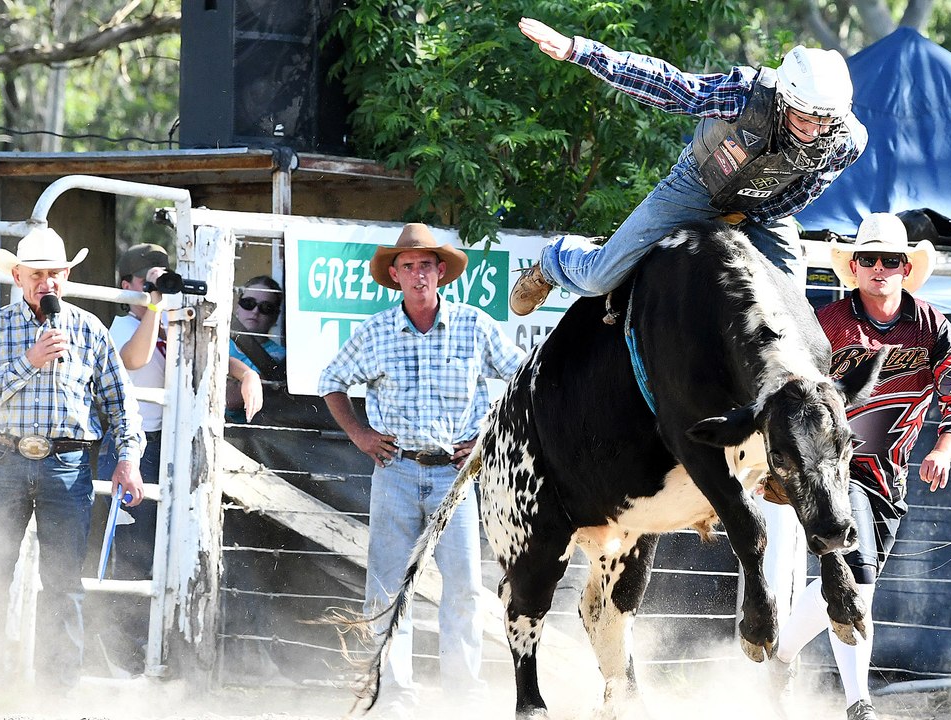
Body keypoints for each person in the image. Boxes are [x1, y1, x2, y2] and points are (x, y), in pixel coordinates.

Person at [509, 17, 866, 316]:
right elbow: (671, 86)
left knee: (793, 308)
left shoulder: (847, 142)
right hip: (698, 183)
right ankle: (554, 262)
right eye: (804, 119)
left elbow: (796, 199)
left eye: (825, 123)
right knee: (598, 279)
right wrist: (579, 51)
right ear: (783, 102)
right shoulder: (745, 96)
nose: (813, 132)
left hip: (764, 207)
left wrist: (744, 218)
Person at [768, 214, 951, 720]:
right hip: (833, 471)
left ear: (906, 268)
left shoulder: (932, 328)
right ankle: (859, 703)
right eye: (869, 259)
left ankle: (780, 655)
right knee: (857, 578)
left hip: (893, 475)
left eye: (890, 260)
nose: (879, 268)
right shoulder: (826, 325)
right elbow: (786, 389)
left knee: (847, 582)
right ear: (854, 267)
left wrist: (944, 448)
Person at [318, 224, 525, 716]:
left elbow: (522, 376)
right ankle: (393, 696)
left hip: (455, 477)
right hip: (395, 470)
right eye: (408, 266)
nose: (417, 274)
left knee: (464, 587)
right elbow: (331, 380)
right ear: (394, 275)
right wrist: (360, 435)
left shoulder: (474, 326)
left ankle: (463, 696)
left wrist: (488, 437)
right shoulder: (376, 331)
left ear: (441, 274)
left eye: (426, 265)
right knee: (388, 587)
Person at [0, 227, 146, 694]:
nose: (48, 283)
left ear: (66, 275)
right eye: (37, 274)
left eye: (55, 273)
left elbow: (121, 404)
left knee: (63, 584)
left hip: (66, 464)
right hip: (6, 458)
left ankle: (55, 696)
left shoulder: (89, 329)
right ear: (19, 277)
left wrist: (129, 459)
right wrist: (29, 361)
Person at [91, 243, 262, 673]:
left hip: (169, 445)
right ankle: (122, 656)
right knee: (130, 550)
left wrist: (247, 374)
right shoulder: (116, 327)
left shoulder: (171, 322)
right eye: (149, 279)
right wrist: (155, 304)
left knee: (172, 548)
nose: (159, 287)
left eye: (163, 278)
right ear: (127, 285)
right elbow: (136, 358)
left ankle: (159, 651)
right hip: (129, 447)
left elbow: (217, 354)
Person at [227, 275, 285, 423]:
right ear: (237, 306)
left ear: (275, 316)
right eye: (248, 303)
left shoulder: (279, 356)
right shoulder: (215, 342)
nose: (255, 311)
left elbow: (231, 399)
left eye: (266, 307)